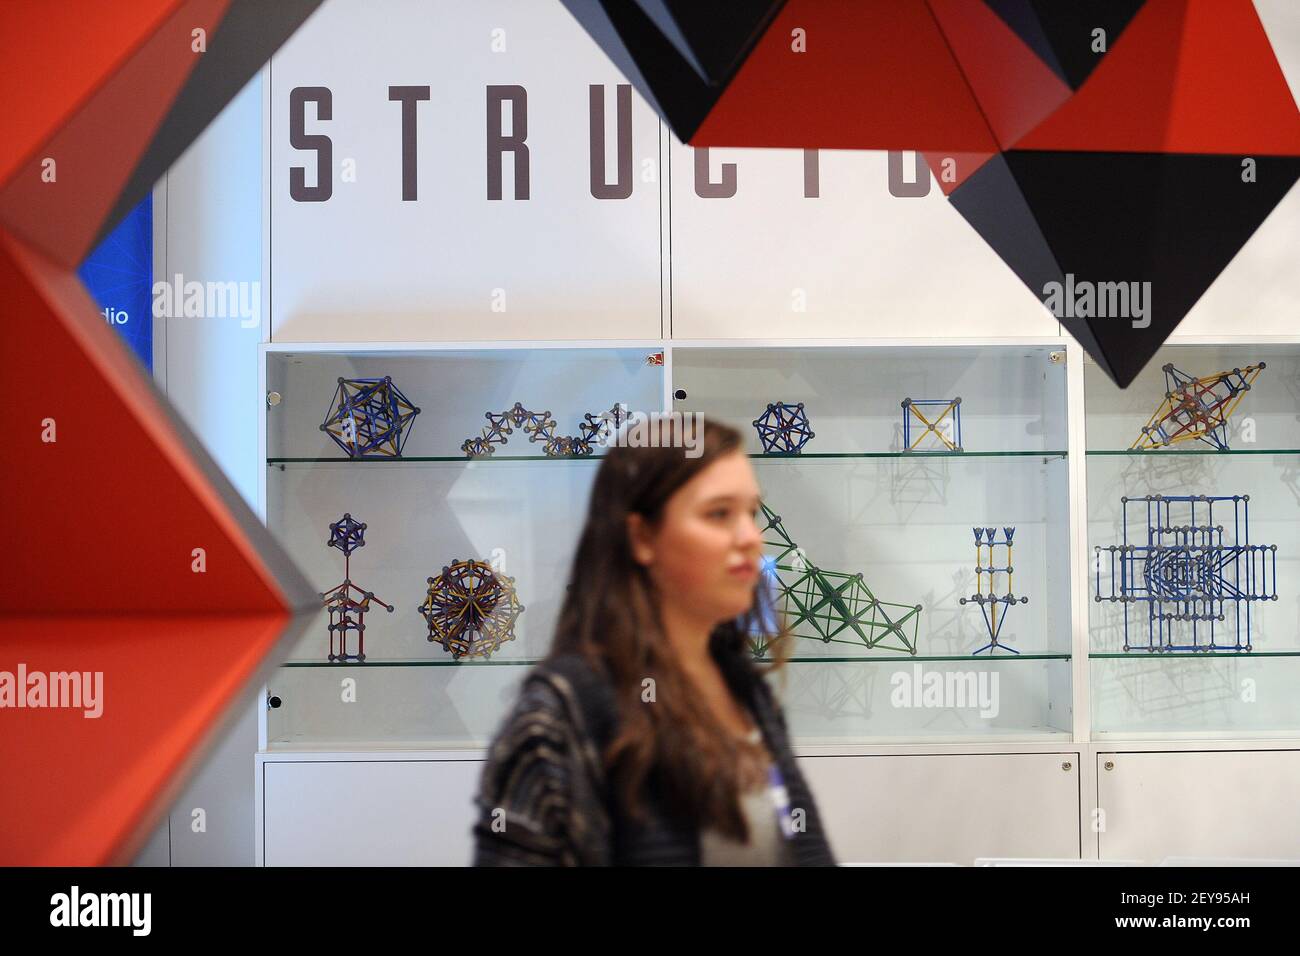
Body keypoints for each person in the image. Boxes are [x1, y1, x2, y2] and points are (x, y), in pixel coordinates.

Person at [471, 415, 836, 866]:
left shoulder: (746, 691)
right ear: (642, 536)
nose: (751, 539)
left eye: (752, 513)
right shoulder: (562, 714)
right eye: (719, 514)